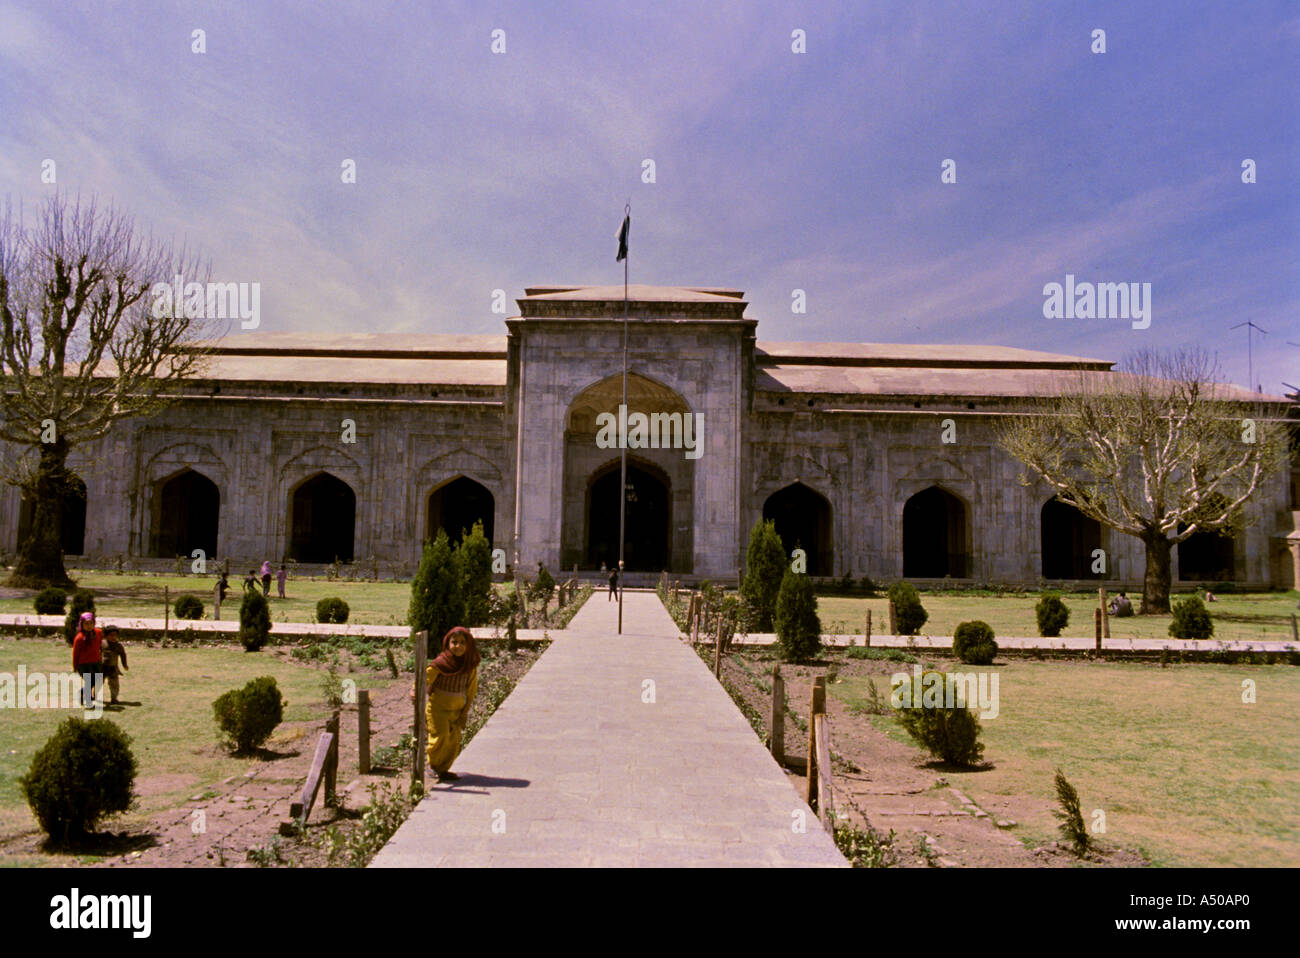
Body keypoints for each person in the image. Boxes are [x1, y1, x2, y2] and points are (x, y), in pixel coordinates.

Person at [424, 626, 480, 782]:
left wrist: (465, 712)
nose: (458, 646)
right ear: (447, 643)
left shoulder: (470, 665)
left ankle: (443, 769)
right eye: (454, 642)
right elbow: (425, 678)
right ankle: (433, 765)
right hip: (438, 708)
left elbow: (471, 690)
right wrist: (415, 690)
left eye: (463, 642)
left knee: (453, 741)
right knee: (439, 736)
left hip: (457, 710)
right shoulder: (441, 664)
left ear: (468, 645)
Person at [71, 612, 103, 709]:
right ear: (82, 624)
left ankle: (82, 692)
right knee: (89, 681)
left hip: (96, 661)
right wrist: (75, 666)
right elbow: (75, 653)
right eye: (86, 624)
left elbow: (100, 644)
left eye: (91, 623)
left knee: (98, 680)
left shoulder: (98, 633)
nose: (89, 626)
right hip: (84, 664)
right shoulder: (79, 638)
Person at [101, 625, 129, 705]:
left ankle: (114, 698)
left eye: (115, 635)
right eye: (111, 635)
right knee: (98, 683)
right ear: (106, 636)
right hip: (102, 668)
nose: (113, 637)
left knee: (114, 684)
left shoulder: (118, 646)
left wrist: (125, 665)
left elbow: (123, 655)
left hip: (113, 668)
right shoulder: (102, 643)